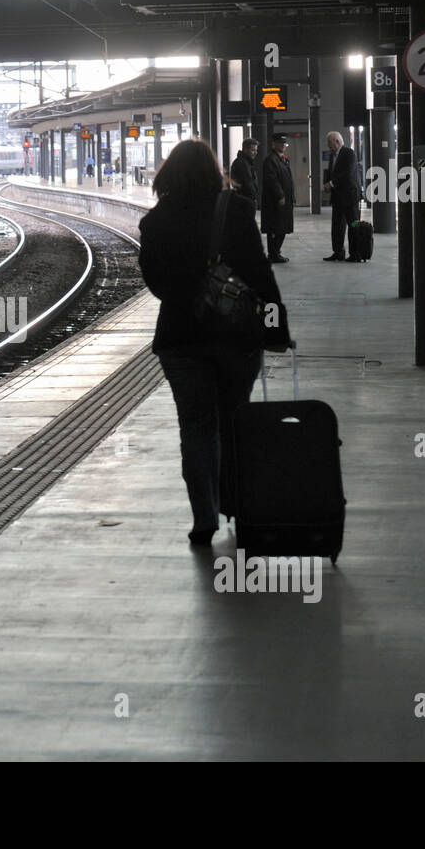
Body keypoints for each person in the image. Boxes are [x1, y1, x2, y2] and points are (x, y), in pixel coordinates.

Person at [138, 139, 289, 545]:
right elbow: (260, 275)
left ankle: (203, 516)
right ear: (213, 170)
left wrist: (188, 296)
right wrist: (276, 329)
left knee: (196, 428)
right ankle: (239, 506)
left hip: (180, 339)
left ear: (168, 174)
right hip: (235, 338)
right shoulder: (236, 210)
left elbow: (155, 284)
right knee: (235, 420)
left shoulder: (154, 223)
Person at [322, 131, 362, 262]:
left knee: (354, 225)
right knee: (337, 226)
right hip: (338, 197)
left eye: (330, 143)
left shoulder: (349, 153)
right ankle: (338, 252)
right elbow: (332, 173)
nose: (328, 146)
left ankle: (355, 254)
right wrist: (327, 184)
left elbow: (347, 173)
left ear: (337, 142)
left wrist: (331, 183)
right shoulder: (333, 155)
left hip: (350, 197)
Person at [260, 132, 295, 263]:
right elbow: (271, 180)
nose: (283, 145)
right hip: (275, 201)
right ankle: (273, 254)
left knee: (283, 227)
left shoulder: (284, 159)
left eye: (284, 143)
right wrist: (280, 195)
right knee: (275, 227)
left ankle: (276, 252)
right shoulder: (270, 160)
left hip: (285, 200)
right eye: (280, 143)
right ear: (273, 144)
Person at [229, 137, 259, 210]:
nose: (256, 153)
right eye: (253, 150)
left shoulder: (245, 162)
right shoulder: (242, 163)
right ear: (245, 150)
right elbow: (247, 183)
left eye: (256, 150)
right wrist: (253, 198)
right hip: (245, 201)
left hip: (245, 200)